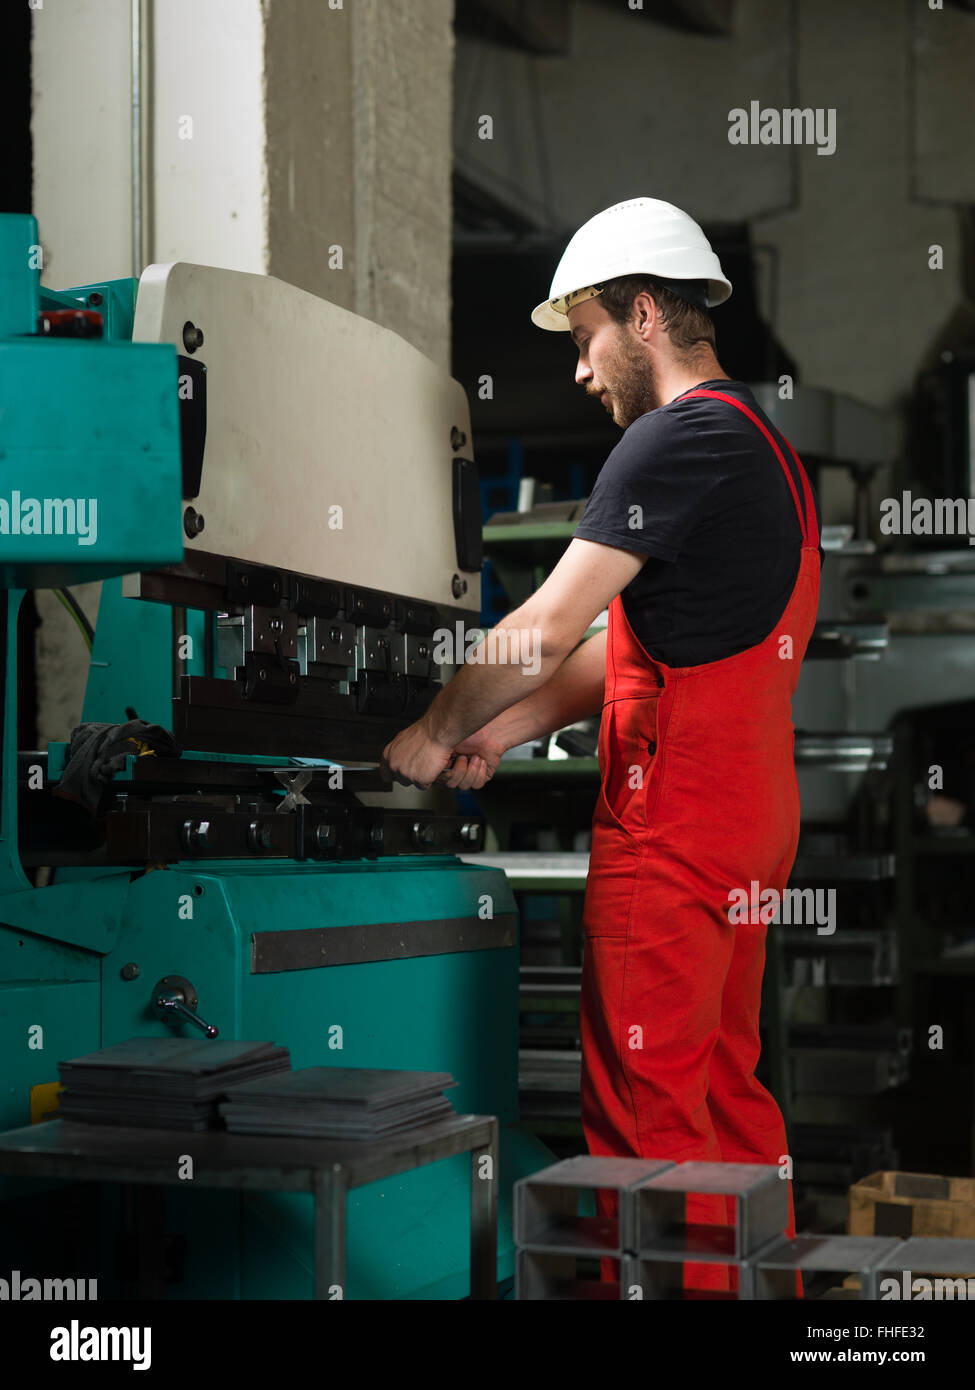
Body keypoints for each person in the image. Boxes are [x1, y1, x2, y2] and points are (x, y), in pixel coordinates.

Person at [381, 197, 821, 1295]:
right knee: (724, 1100)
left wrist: (430, 731)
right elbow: (620, 656)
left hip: (670, 835)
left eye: (583, 340)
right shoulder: (761, 446)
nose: (581, 372)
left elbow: (534, 628)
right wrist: (498, 729)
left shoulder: (673, 438)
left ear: (640, 314)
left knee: (649, 1134)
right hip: (746, 830)